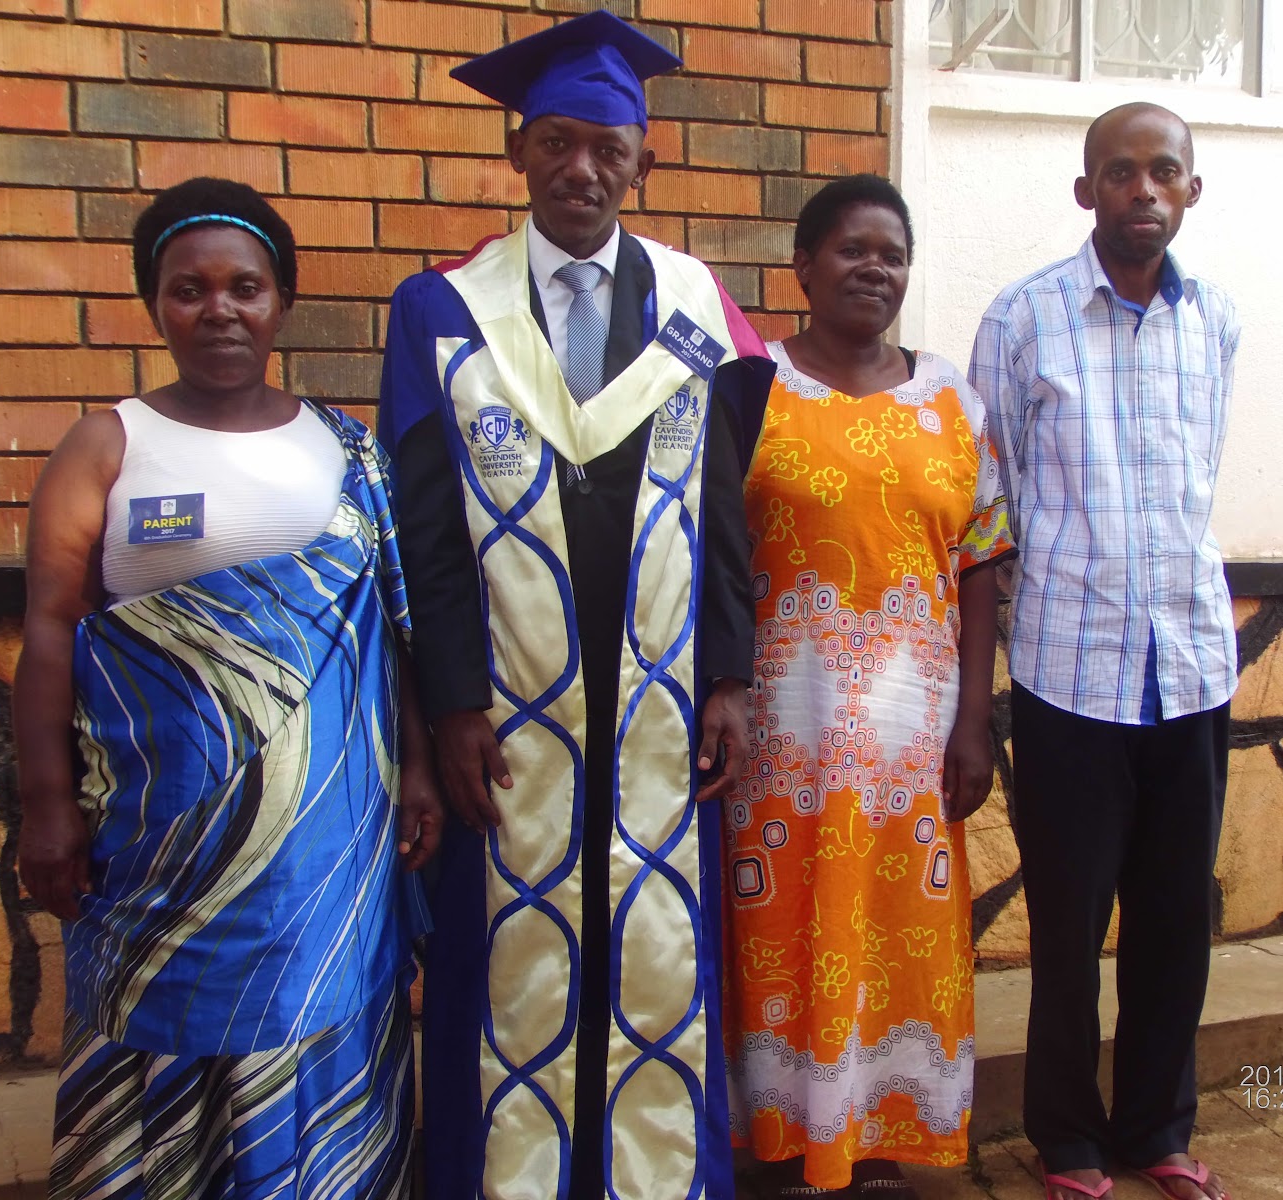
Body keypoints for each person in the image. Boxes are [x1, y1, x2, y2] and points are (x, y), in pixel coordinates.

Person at [377, 11, 774, 1199]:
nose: (581, 169)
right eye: (556, 143)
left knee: (653, 946)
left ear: (642, 159)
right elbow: (427, 531)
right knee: (513, 951)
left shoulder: (701, 306)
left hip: (655, 697)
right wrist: (447, 704)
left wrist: (731, 677)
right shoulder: (443, 310)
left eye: (607, 146)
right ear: (519, 153)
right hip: (511, 694)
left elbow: (724, 517)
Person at [14, 177, 437, 1200]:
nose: (219, 310)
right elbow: (47, 633)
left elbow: (391, 632)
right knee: (158, 1026)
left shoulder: (345, 452)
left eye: (244, 287)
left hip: (322, 855)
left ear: (280, 300)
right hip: (155, 845)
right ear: (154, 303)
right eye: (188, 288)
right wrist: (46, 807)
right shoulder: (105, 445)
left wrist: (418, 767)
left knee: (316, 1022)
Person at [968, 103, 1239, 1200]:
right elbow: (994, 505)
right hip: (1068, 670)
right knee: (1069, 928)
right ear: (1086, 192)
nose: (1142, 191)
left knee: (1178, 917)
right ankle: (1068, 1140)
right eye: (1119, 173)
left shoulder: (1214, 319)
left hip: (1190, 663)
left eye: (1162, 172)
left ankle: (1157, 1132)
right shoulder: (1025, 317)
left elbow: (1197, 478)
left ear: (1189, 191)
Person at [724, 175, 1015, 1198]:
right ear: (802, 267)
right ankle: (777, 1141)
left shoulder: (951, 400)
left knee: (900, 927)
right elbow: (711, 551)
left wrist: (974, 718)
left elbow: (980, 562)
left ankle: (882, 1136)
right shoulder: (748, 385)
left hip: (910, 738)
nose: (874, 268)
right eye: (851, 249)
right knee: (779, 926)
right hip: (780, 737)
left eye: (891, 252)